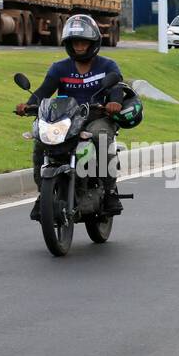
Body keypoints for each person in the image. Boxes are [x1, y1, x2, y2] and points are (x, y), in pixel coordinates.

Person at [15, 15, 125, 219]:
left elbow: (116, 87)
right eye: (75, 42)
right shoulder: (59, 68)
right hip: (65, 120)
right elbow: (43, 92)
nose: (79, 47)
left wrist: (114, 102)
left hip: (96, 117)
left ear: (93, 43)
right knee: (41, 142)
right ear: (69, 44)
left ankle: (110, 192)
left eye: (83, 42)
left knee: (100, 137)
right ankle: (43, 195)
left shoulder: (108, 66)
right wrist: (29, 105)